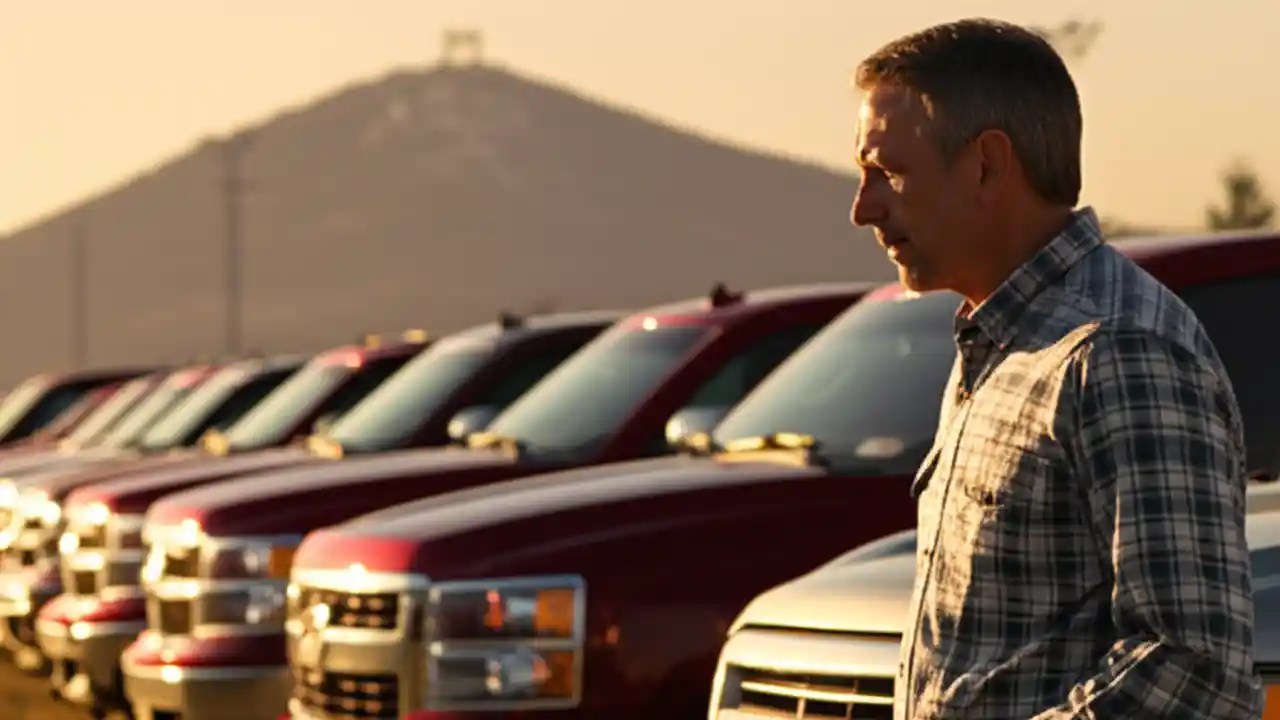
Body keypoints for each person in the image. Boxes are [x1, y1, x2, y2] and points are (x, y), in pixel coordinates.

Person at [848, 18, 1263, 719]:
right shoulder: (1004, 343)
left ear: (986, 164)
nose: (863, 208)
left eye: (887, 173)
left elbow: (1193, 671)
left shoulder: (1119, 352)